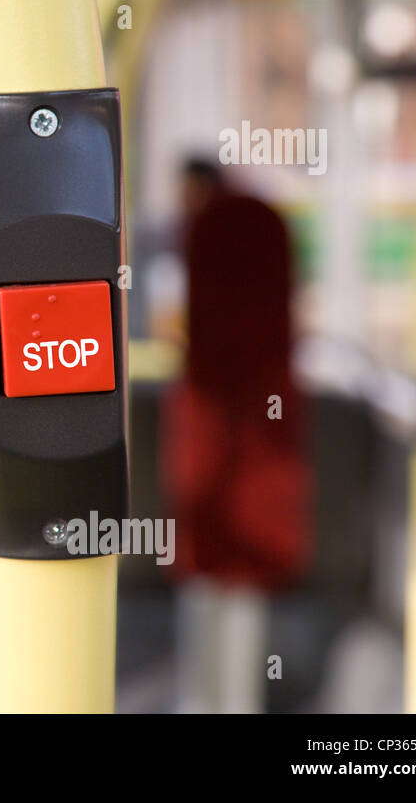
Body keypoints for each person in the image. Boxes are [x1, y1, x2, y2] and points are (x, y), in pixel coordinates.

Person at [161, 157, 313, 713]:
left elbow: (196, 337)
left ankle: (200, 701)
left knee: (204, 586)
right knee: (245, 590)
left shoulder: (209, 231)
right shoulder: (264, 224)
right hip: (265, 449)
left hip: (212, 446)